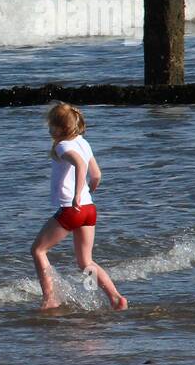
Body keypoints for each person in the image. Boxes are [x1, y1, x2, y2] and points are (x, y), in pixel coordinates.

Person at [30, 102, 129, 311]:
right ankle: (116, 298)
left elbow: (81, 165)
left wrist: (75, 196)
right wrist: (89, 189)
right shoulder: (83, 142)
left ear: (59, 128)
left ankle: (50, 299)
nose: (48, 129)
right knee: (86, 262)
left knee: (38, 250)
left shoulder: (62, 146)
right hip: (89, 210)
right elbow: (96, 174)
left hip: (71, 209)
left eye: (50, 125)